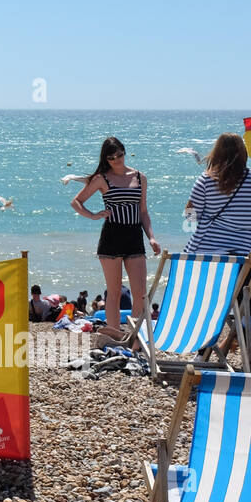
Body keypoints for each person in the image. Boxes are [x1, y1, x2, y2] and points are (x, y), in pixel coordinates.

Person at [71, 137, 159, 346]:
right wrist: (94, 215)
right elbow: (76, 202)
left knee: (139, 293)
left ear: (124, 152)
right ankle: (112, 338)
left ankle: (134, 336)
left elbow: (143, 212)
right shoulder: (102, 178)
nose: (117, 160)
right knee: (114, 292)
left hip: (134, 237)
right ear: (106, 159)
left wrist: (152, 238)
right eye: (111, 157)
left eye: (119, 154)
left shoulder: (139, 177)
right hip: (111, 237)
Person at [183, 133, 251, 256]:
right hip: (245, 257)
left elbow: (190, 217)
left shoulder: (206, 180)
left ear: (217, 153)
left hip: (205, 255)